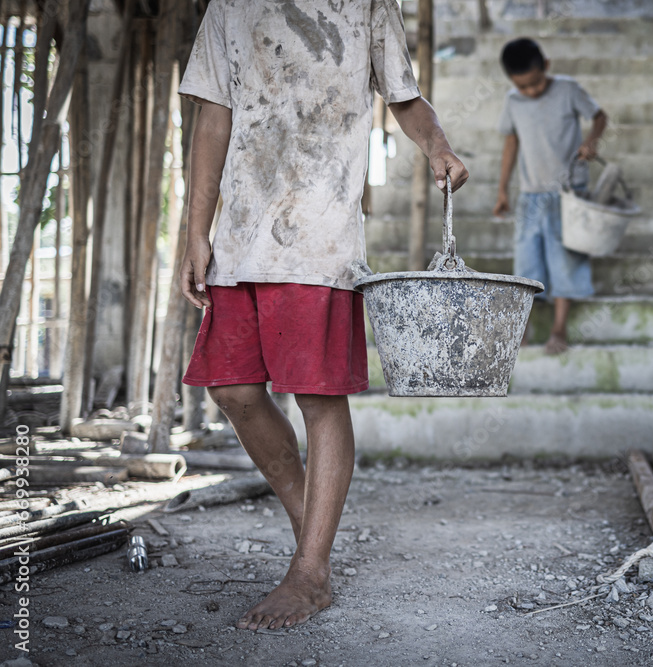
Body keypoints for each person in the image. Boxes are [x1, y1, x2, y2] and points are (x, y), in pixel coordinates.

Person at [177, 0, 468, 631]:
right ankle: (309, 521)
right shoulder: (228, 5)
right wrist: (195, 231)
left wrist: (437, 147)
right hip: (241, 231)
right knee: (232, 390)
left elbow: (404, 95)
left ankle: (309, 573)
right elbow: (212, 116)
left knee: (318, 396)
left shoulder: (367, 4)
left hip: (320, 232)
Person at [492, 38, 607, 355]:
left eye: (536, 83)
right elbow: (510, 144)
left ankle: (559, 329)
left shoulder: (568, 90)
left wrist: (592, 141)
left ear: (546, 65)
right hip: (530, 195)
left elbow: (599, 116)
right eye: (523, 87)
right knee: (525, 261)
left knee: (565, 259)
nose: (531, 91)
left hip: (568, 194)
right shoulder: (513, 101)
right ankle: (522, 330)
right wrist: (503, 190)